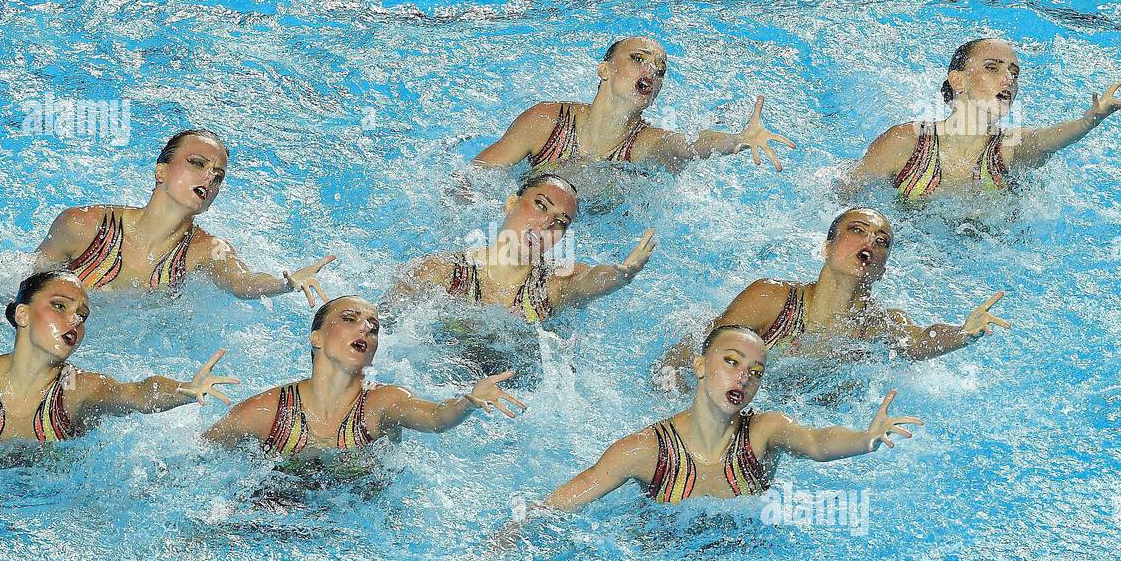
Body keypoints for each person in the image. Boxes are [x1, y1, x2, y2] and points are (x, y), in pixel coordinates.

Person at [507, 326, 921, 525]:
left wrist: (865, 439)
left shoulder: (763, 433)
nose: (742, 378)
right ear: (700, 366)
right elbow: (556, 506)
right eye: (731, 362)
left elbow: (815, 441)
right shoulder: (644, 451)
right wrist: (512, 531)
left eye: (756, 372)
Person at [0, 271, 238, 449]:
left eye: (82, 314)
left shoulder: (78, 390)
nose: (75, 320)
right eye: (60, 306)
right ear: (23, 315)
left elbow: (135, 393)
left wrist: (184, 389)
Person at [661, 208, 1010, 380]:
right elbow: (703, 350)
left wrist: (963, 334)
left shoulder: (878, 325)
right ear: (827, 248)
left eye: (881, 241)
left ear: (884, 267)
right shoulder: (771, 299)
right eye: (857, 231)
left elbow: (919, 341)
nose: (869, 242)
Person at [203, 296, 525, 473]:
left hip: (353, 528)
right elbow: (200, 454)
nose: (366, 329)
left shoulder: (381, 405)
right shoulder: (268, 411)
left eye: (373, 328)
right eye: (349, 318)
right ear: (316, 337)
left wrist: (468, 401)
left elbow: (436, 417)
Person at [35, 129, 334, 301]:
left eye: (218, 176)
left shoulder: (206, 251)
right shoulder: (82, 226)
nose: (209, 179)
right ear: (160, 171)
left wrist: (286, 283)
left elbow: (242, 283)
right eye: (197, 163)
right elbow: (23, 287)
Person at [849, 37, 1121, 200]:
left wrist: (1089, 120)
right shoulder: (906, 142)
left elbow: (1043, 142)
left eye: (1014, 73)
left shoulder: (1008, 148)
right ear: (958, 80)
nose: (1009, 79)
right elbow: (843, 194)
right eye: (993, 68)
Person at [470, 36, 795, 172]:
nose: (651, 70)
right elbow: (478, 175)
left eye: (660, 69)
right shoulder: (546, 121)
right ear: (605, 69)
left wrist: (738, 139)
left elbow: (686, 144)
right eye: (638, 59)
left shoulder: (646, 143)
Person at [388, 173, 657, 323]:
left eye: (561, 222)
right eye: (541, 205)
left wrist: (621, 275)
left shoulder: (552, 285)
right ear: (510, 204)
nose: (546, 224)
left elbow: (587, 280)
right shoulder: (440, 273)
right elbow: (385, 327)